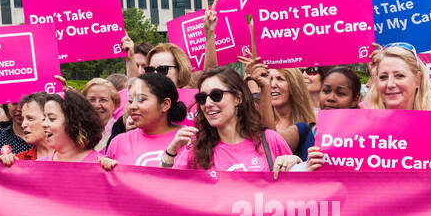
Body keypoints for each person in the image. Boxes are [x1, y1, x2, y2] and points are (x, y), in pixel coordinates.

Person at [161, 68, 303, 173]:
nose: (208, 104)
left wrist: (294, 163)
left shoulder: (270, 140)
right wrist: (170, 152)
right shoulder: (196, 149)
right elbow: (166, 194)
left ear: (238, 98)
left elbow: (295, 191)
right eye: (202, 98)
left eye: (217, 95)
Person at [365, 45, 431, 170]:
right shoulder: (363, 121)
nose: (390, 84)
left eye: (399, 75)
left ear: (417, 80)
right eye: (383, 77)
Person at [105, 73, 186, 167]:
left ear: (165, 104)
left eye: (141, 100)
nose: (133, 106)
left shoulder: (188, 139)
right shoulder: (118, 142)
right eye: (130, 101)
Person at [26, 91, 117, 168]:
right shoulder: (39, 166)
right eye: (44, 118)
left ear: (75, 122)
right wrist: (13, 166)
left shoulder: (102, 166)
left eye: (52, 118)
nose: (44, 124)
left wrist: (114, 171)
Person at [82, 78, 121, 151]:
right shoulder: (78, 132)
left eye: (103, 100)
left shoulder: (122, 130)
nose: (97, 105)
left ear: (114, 103)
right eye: (92, 100)